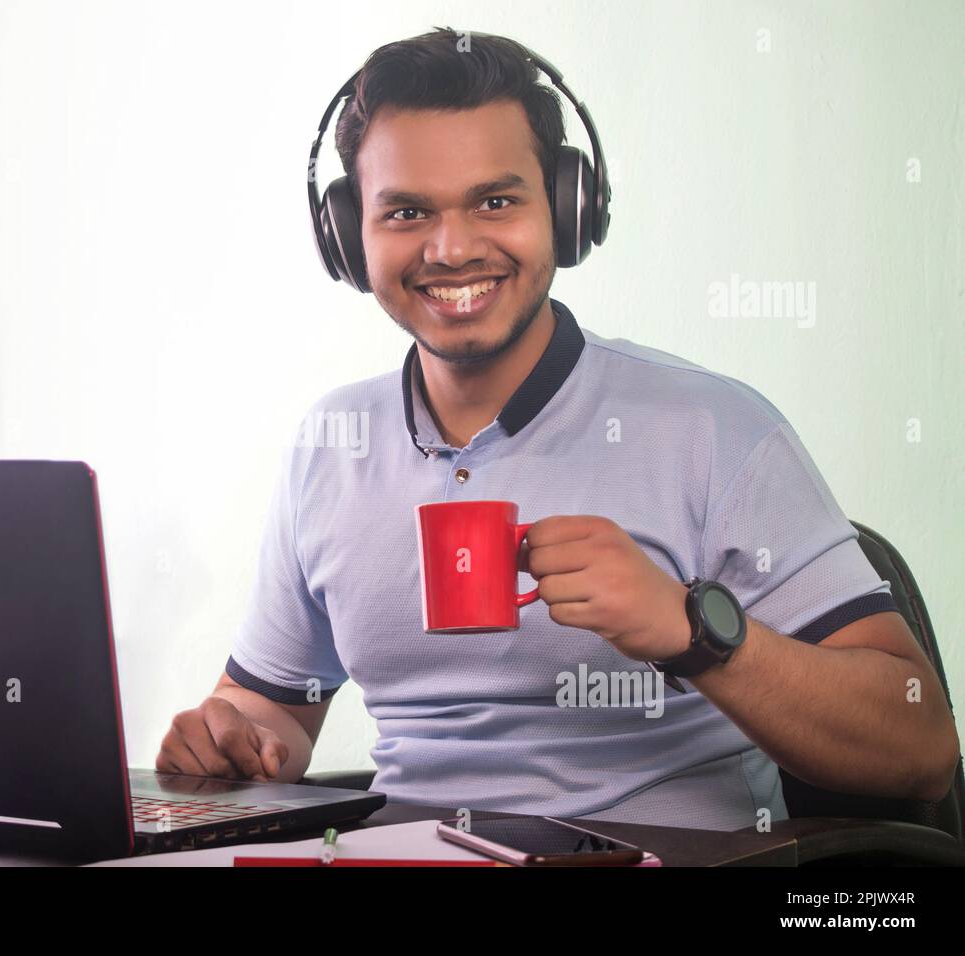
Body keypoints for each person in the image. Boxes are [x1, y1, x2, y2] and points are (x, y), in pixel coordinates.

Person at [156, 27, 958, 831]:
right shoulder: (330, 445)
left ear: (571, 208)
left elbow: (920, 748)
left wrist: (692, 633)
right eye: (405, 211)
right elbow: (274, 717)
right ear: (346, 235)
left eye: (495, 201)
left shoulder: (709, 428)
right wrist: (234, 736)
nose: (453, 248)